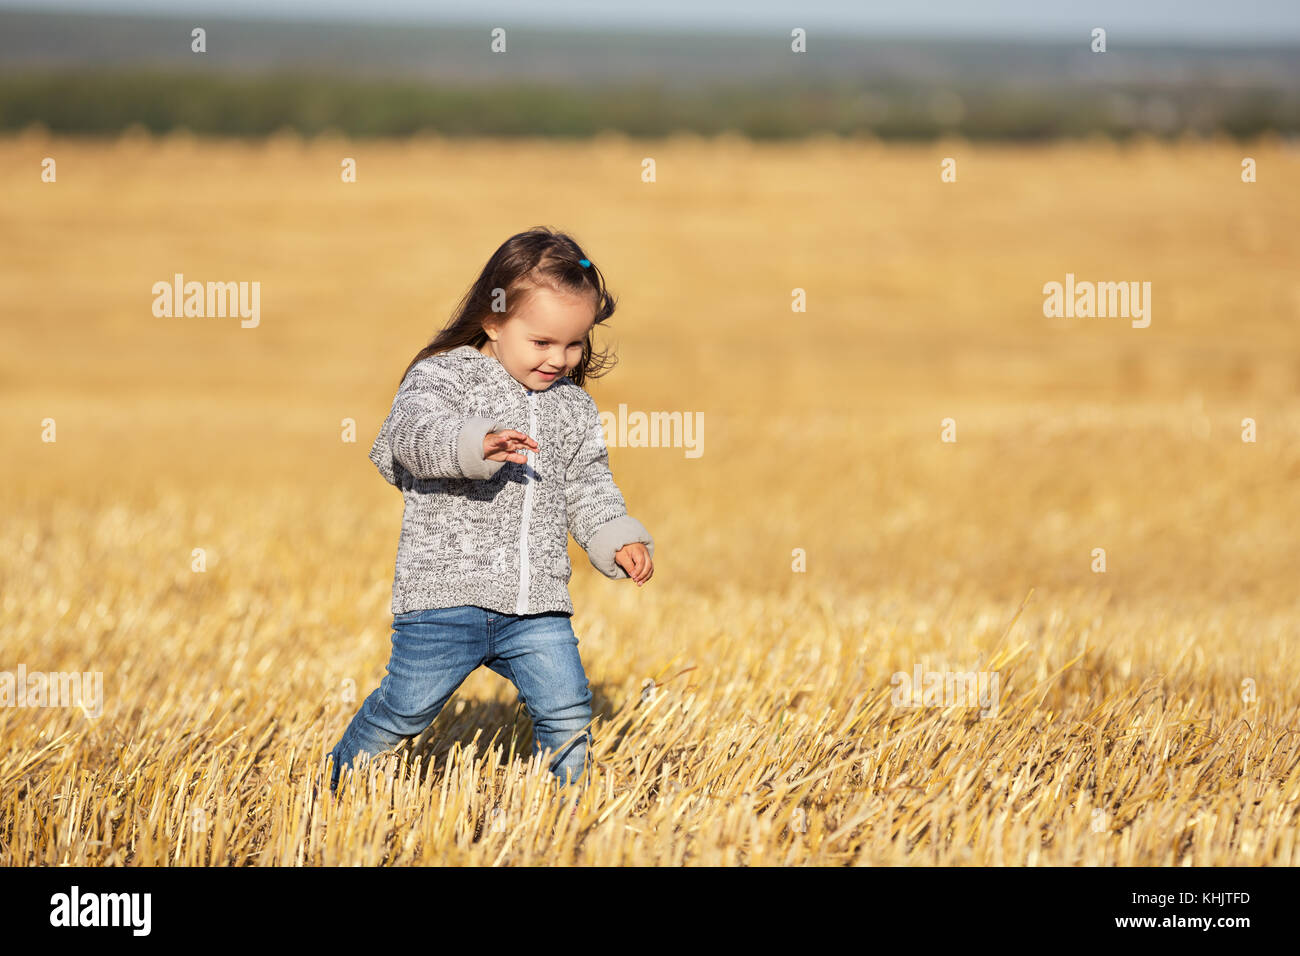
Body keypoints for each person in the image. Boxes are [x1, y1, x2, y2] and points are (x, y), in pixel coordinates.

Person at [326, 226, 654, 799]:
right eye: (543, 342)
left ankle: (565, 813)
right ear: (494, 319)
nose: (560, 359)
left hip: (536, 604)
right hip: (444, 598)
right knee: (402, 712)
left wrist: (613, 536)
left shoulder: (572, 409)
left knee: (568, 714)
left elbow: (589, 486)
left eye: (574, 344)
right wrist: (473, 443)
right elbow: (409, 437)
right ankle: (332, 788)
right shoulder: (444, 377)